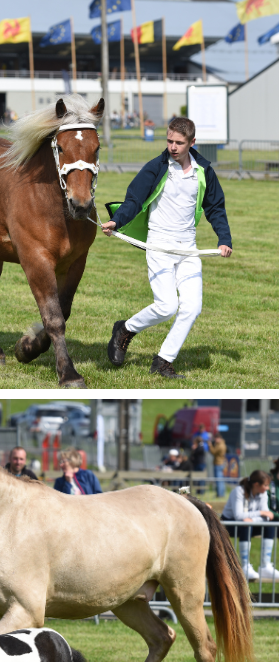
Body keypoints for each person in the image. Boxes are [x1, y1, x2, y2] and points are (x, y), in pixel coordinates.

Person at [104, 117, 233, 379]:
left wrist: (224, 239)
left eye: (179, 143)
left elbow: (215, 207)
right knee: (166, 306)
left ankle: (163, 361)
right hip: (159, 244)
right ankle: (125, 329)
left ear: (192, 142)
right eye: (169, 141)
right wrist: (117, 221)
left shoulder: (203, 171)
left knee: (192, 307)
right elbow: (134, 200)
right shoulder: (156, 167)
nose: (173, 147)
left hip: (188, 248)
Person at [222, 470, 275, 581]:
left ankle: (265, 566)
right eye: (265, 485)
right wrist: (259, 513)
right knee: (246, 525)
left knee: (269, 525)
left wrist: (252, 518)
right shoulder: (238, 491)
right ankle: (244, 566)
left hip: (248, 523)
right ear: (256, 484)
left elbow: (267, 516)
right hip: (229, 524)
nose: (267, 488)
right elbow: (238, 516)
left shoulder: (263, 494)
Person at [210, 433, 227, 498]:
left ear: (219, 438)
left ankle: (220, 494)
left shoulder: (220, 446)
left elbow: (213, 452)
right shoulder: (220, 444)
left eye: (216, 438)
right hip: (219, 463)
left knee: (219, 480)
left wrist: (210, 445)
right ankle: (220, 494)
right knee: (220, 480)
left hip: (218, 464)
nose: (215, 440)